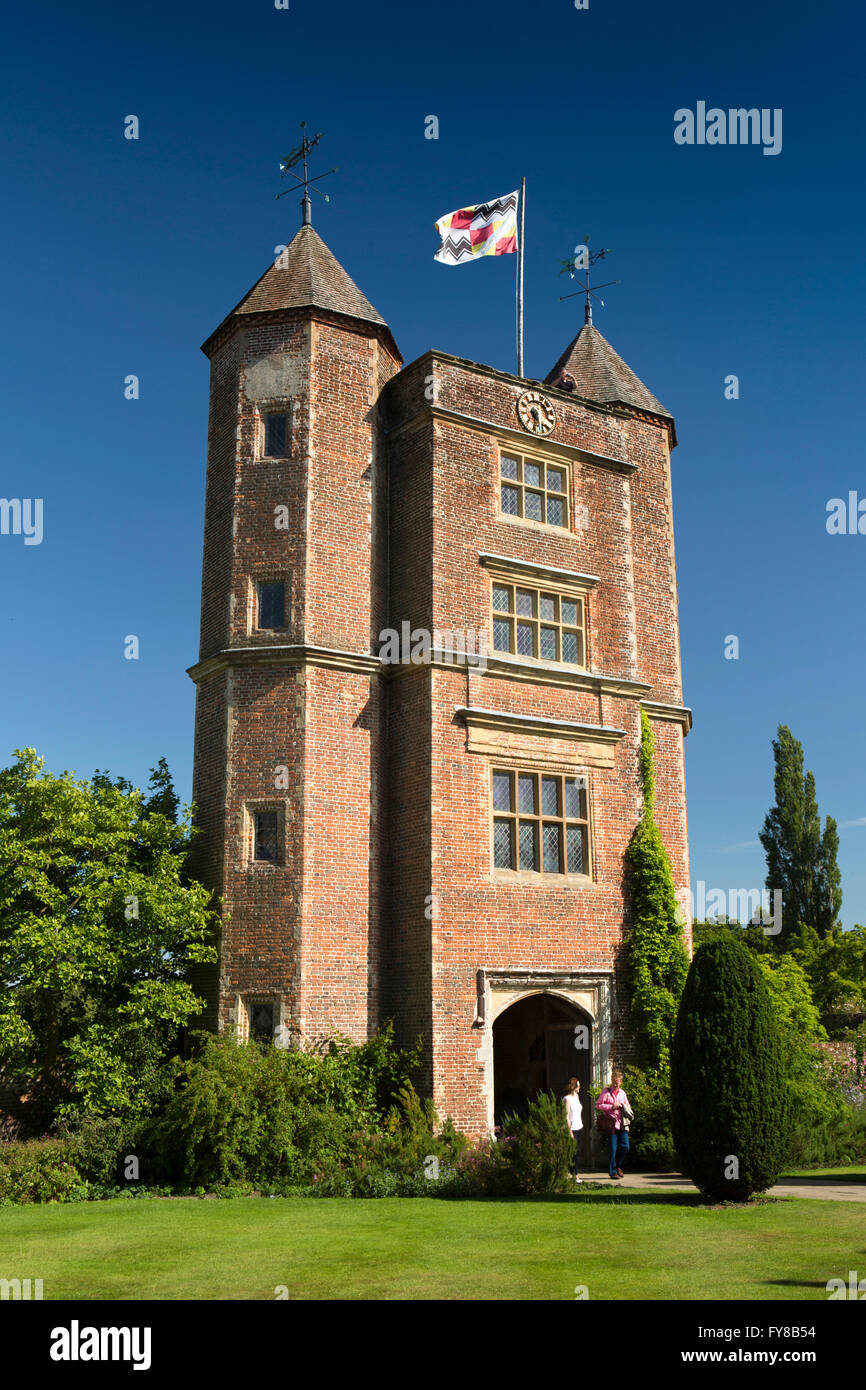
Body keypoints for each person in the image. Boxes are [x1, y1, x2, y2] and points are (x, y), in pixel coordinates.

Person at [596, 1068, 632, 1179]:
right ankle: (613, 1172)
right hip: (611, 1124)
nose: (616, 1084)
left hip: (622, 1123)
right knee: (613, 1149)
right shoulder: (605, 1092)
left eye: (618, 1082)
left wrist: (624, 1107)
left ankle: (618, 1166)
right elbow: (598, 1105)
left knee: (626, 1146)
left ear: (621, 1082)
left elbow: (628, 1106)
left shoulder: (622, 1093)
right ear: (612, 1081)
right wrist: (611, 1106)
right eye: (614, 1082)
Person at [564, 1077, 584, 1184]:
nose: (580, 1087)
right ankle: (574, 1175)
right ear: (574, 1087)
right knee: (573, 1153)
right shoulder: (567, 1099)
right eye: (578, 1085)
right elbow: (566, 1116)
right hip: (572, 1129)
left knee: (578, 1152)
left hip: (579, 1127)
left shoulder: (577, 1096)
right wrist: (569, 1131)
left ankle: (572, 1174)